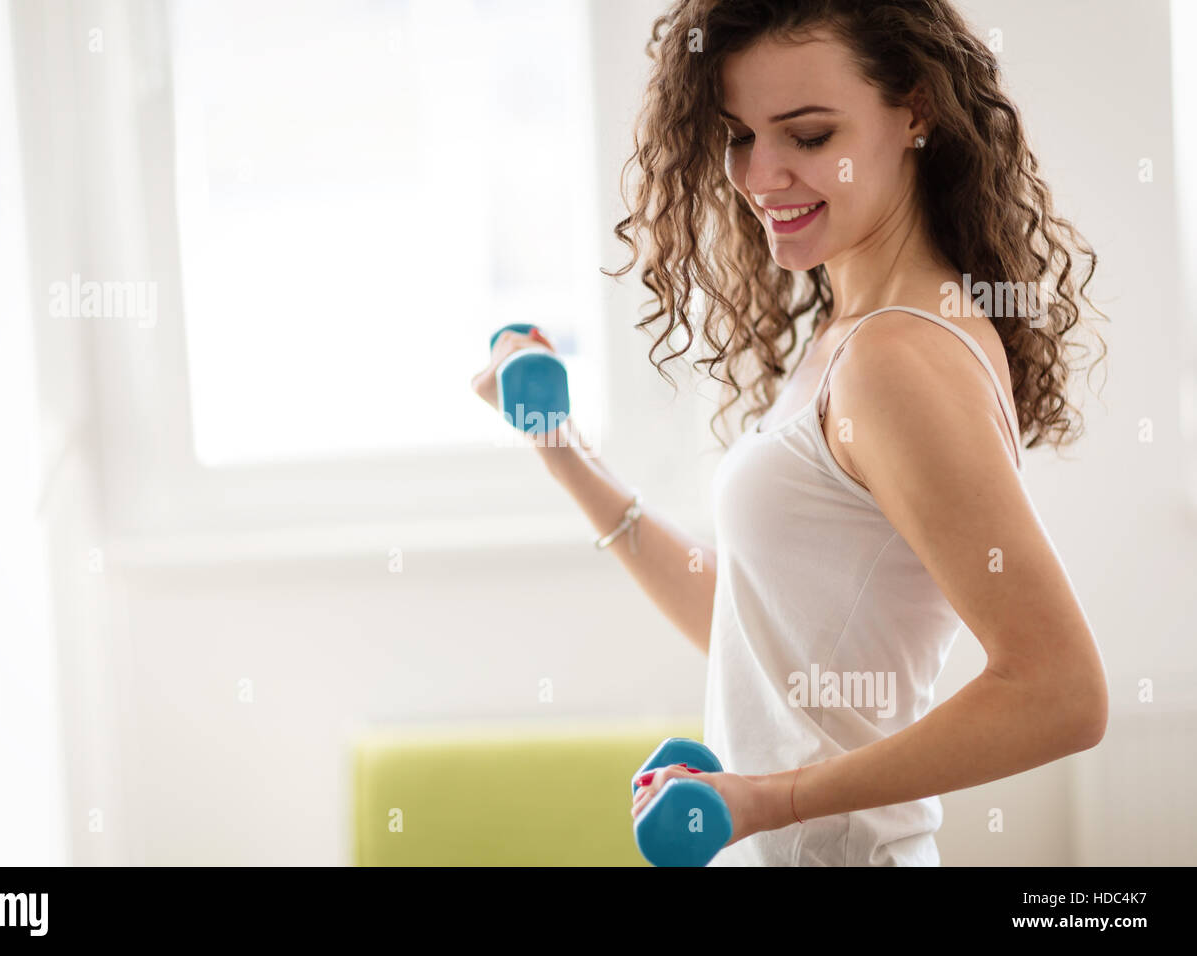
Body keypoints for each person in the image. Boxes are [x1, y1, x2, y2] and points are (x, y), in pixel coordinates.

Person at [470, 0, 1109, 866]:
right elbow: (764, 633)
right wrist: (560, 446)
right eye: (739, 136)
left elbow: (1061, 692)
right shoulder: (857, 334)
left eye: (807, 137)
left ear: (914, 109)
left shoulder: (894, 359)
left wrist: (767, 801)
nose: (761, 175)